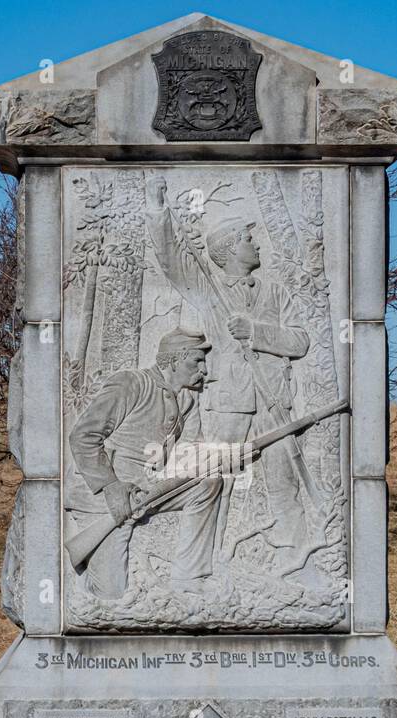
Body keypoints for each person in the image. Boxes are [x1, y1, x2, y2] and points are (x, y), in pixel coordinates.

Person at [143, 175, 314, 552]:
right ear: (232, 248)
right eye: (249, 240)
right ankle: (208, 561)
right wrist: (158, 209)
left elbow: (300, 341)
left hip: (273, 399)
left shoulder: (274, 292)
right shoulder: (208, 290)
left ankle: (299, 558)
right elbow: (172, 261)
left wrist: (256, 332)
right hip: (227, 400)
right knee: (217, 480)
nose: (256, 245)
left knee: (285, 479)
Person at [65, 329, 222, 600]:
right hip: (103, 498)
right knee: (111, 594)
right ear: (174, 360)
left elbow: (190, 453)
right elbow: (83, 436)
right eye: (197, 361)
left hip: (146, 492)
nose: (204, 370)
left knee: (208, 482)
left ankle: (189, 576)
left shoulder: (186, 400)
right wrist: (111, 486)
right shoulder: (132, 383)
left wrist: (217, 457)